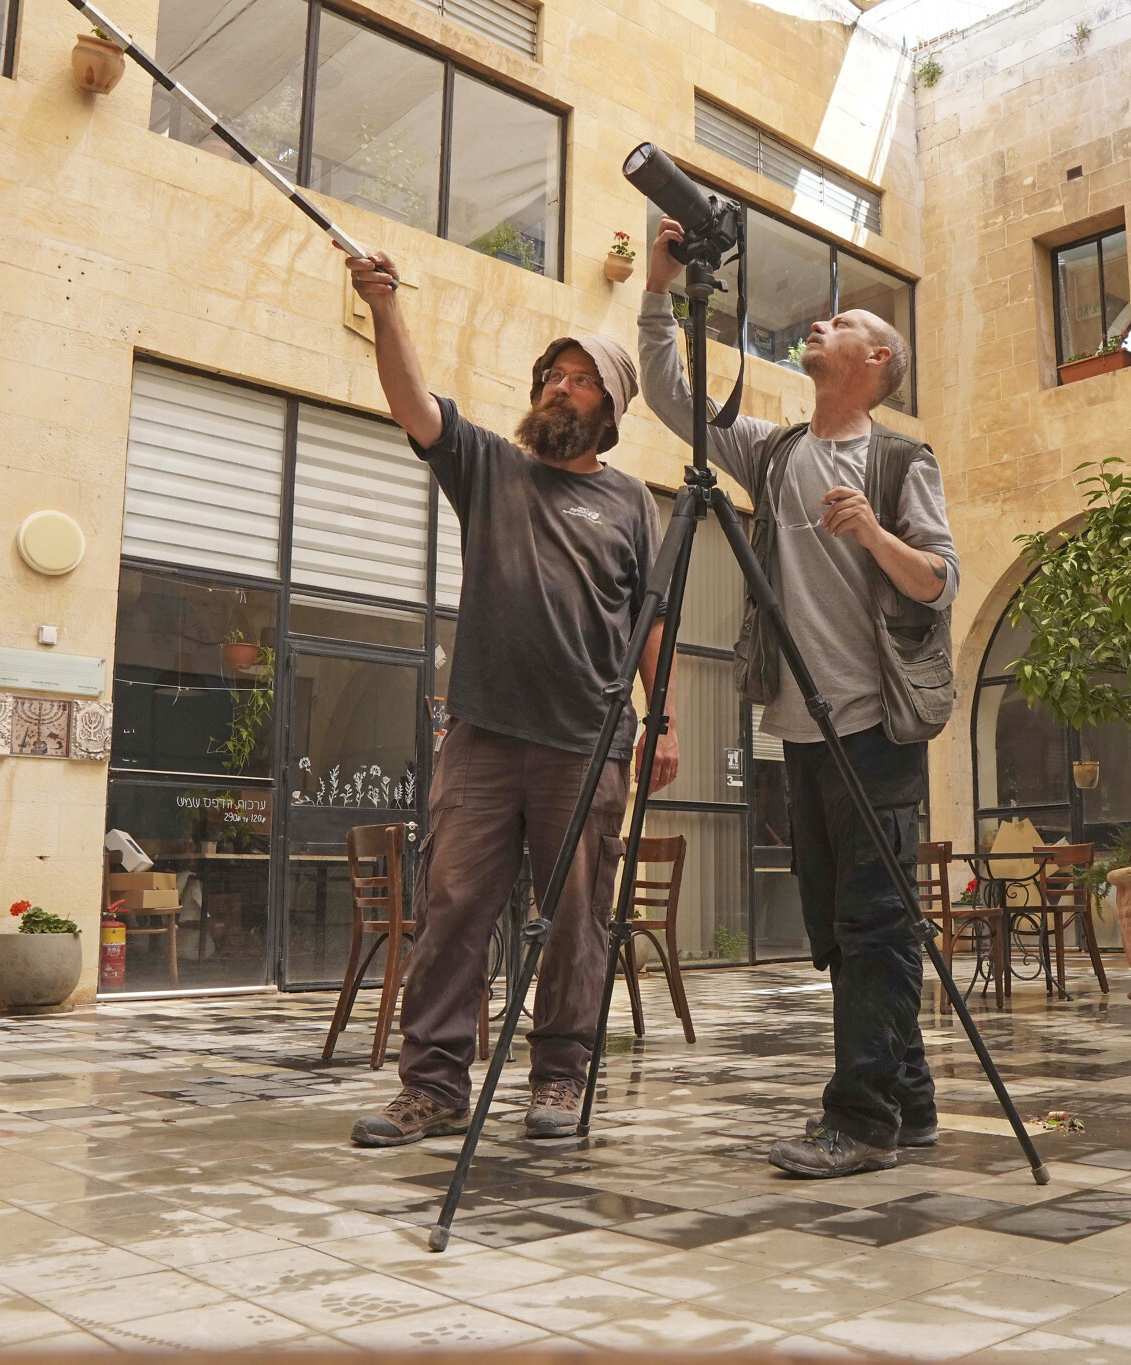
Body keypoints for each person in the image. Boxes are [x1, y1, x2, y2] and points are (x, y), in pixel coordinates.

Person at [638, 218, 959, 1177]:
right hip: (801, 731)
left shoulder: (903, 463)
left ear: (876, 359)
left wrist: (871, 534)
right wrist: (659, 286)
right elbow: (671, 396)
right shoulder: (772, 455)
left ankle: (861, 1121)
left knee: (874, 922)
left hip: (876, 727)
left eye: (843, 320)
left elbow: (938, 583)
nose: (820, 323)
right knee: (841, 925)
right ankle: (912, 1098)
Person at [343, 249, 679, 1147]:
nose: (559, 389)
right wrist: (384, 306)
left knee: (575, 920)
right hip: (484, 738)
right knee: (453, 907)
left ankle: (562, 1080)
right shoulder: (490, 468)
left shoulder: (634, 505)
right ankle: (434, 1085)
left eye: (579, 383)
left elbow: (650, 622)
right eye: (552, 377)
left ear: (609, 410)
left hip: (588, 742)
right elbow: (414, 404)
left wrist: (664, 719)